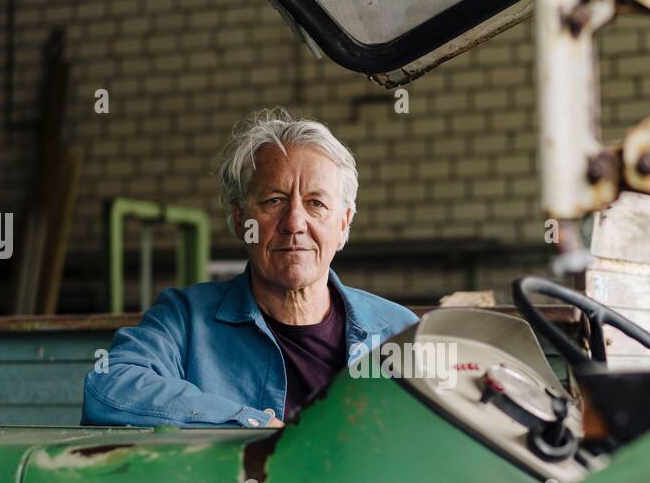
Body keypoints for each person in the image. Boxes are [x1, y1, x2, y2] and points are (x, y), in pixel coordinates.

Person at [82, 108, 417, 428]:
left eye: (316, 203)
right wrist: (250, 424)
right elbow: (111, 386)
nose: (294, 223)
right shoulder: (185, 320)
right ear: (241, 218)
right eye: (274, 201)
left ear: (344, 224)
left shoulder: (401, 331)